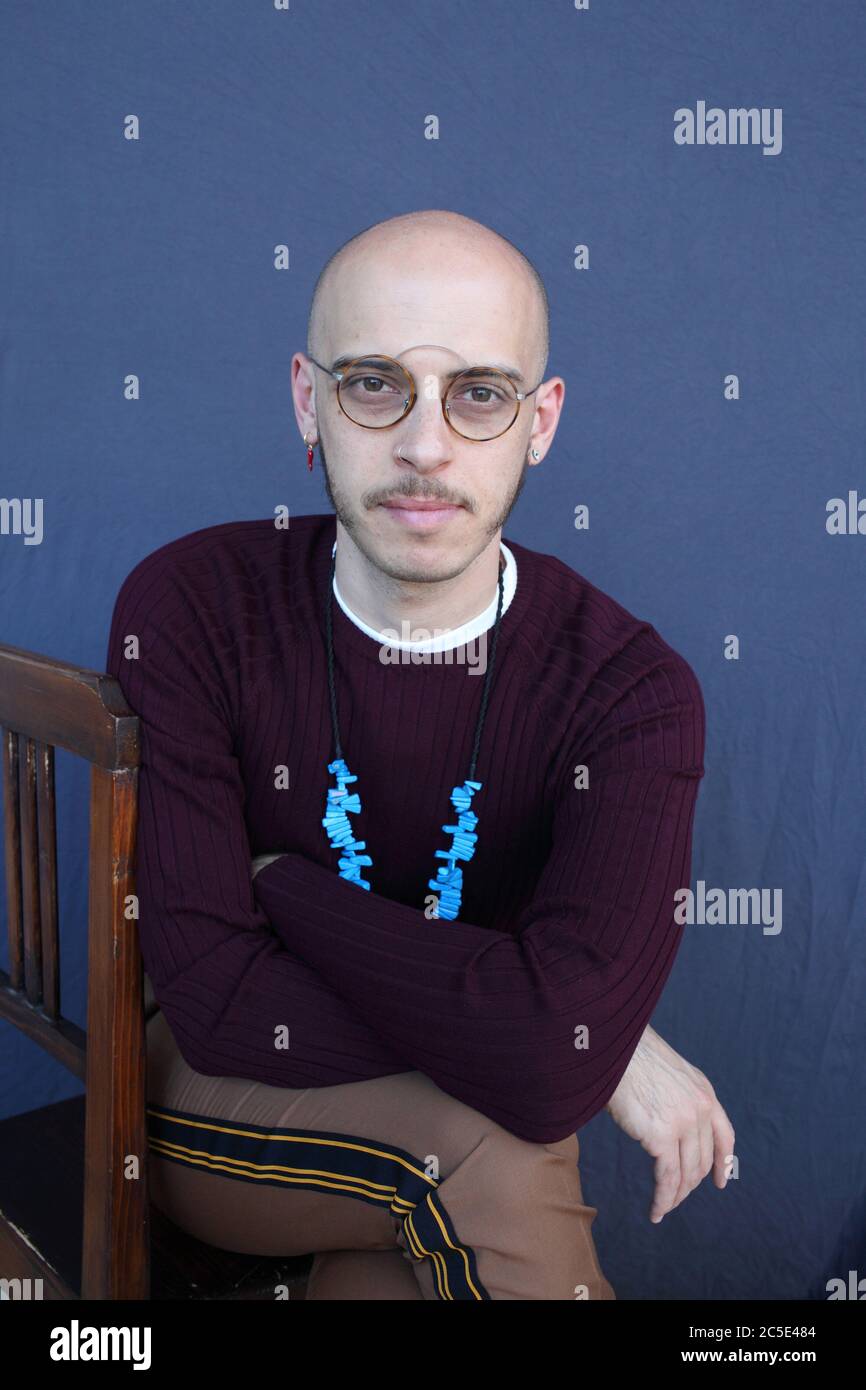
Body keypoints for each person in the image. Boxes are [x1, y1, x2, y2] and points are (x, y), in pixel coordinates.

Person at [107, 209, 734, 1300]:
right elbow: (210, 997)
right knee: (502, 1145)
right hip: (205, 1098)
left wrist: (278, 887)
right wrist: (574, 1040)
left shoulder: (630, 692)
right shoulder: (194, 605)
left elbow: (553, 1051)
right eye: (372, 383)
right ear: (309, 400)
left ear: (539, 423)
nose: (424, 446)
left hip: (434, 1142)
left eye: (478, 394)